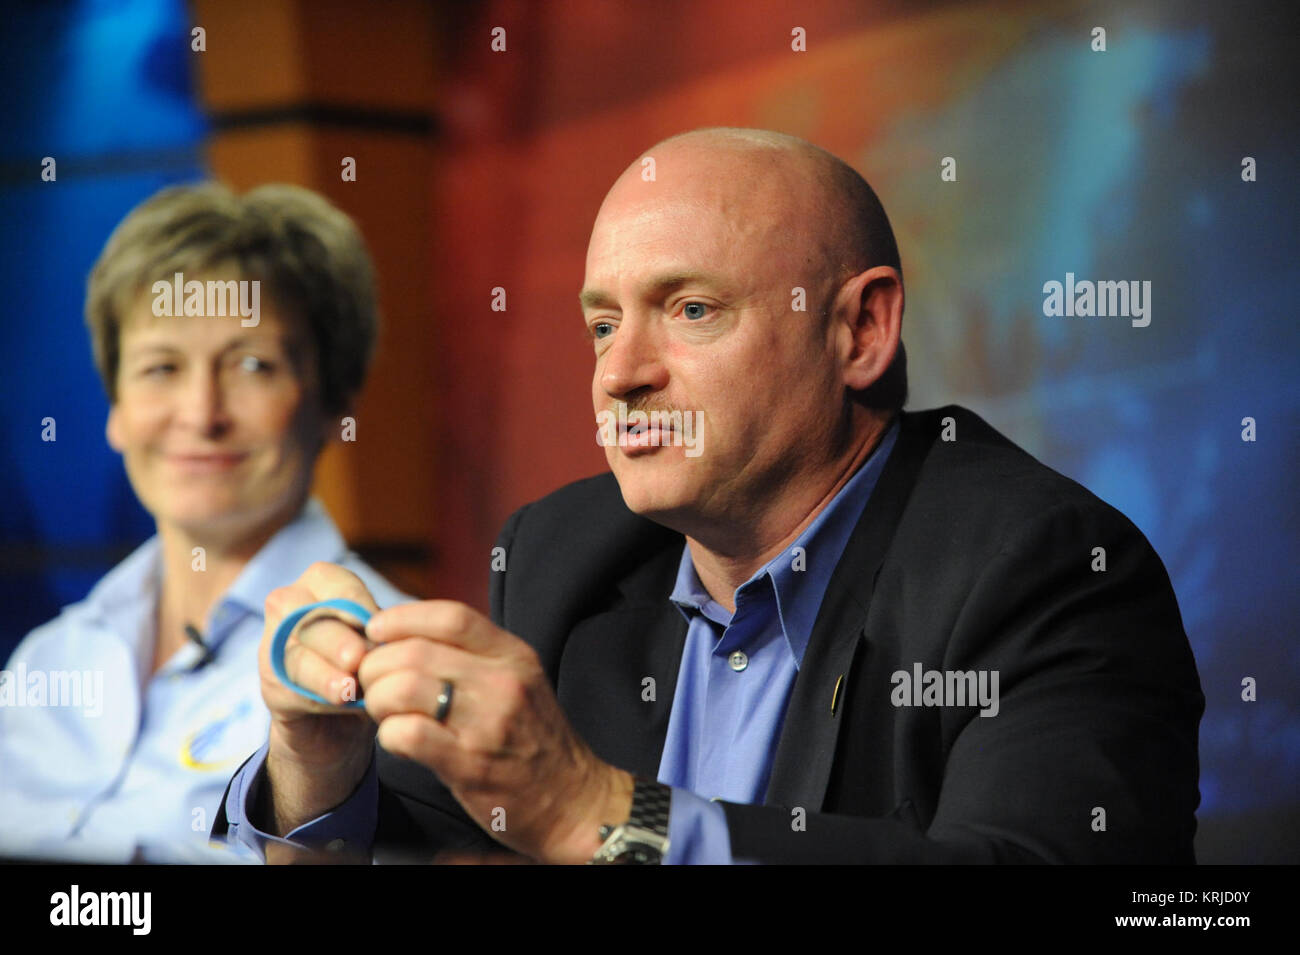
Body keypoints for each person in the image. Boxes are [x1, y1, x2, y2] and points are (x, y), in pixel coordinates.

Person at [214, 128, 1203, 864]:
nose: (619, 373)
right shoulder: (566, 552)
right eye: (602, 324)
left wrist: (593, 813)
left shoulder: (1045, 568)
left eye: (690, 310)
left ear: (858, 330)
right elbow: (412, 840)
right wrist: (315, 759)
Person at [0, 182, 408, 862]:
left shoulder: (385, 670)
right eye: (161, 366)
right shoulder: (48, 659)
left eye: (251, 365)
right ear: (117, 408)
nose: (200, 412)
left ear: (333, 400)